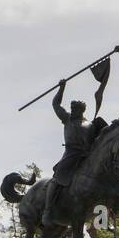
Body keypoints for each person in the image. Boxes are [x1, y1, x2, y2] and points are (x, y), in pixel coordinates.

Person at [42, 78, 104, 226]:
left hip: (86, 157)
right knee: (57, 179)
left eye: (76, 110)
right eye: (72, 109)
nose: (73, 112)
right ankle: (48, 210)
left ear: (81, 111)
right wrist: (61, 89)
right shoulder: (67, 119)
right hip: (70, 155)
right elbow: (55, 104)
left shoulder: (90, 125)